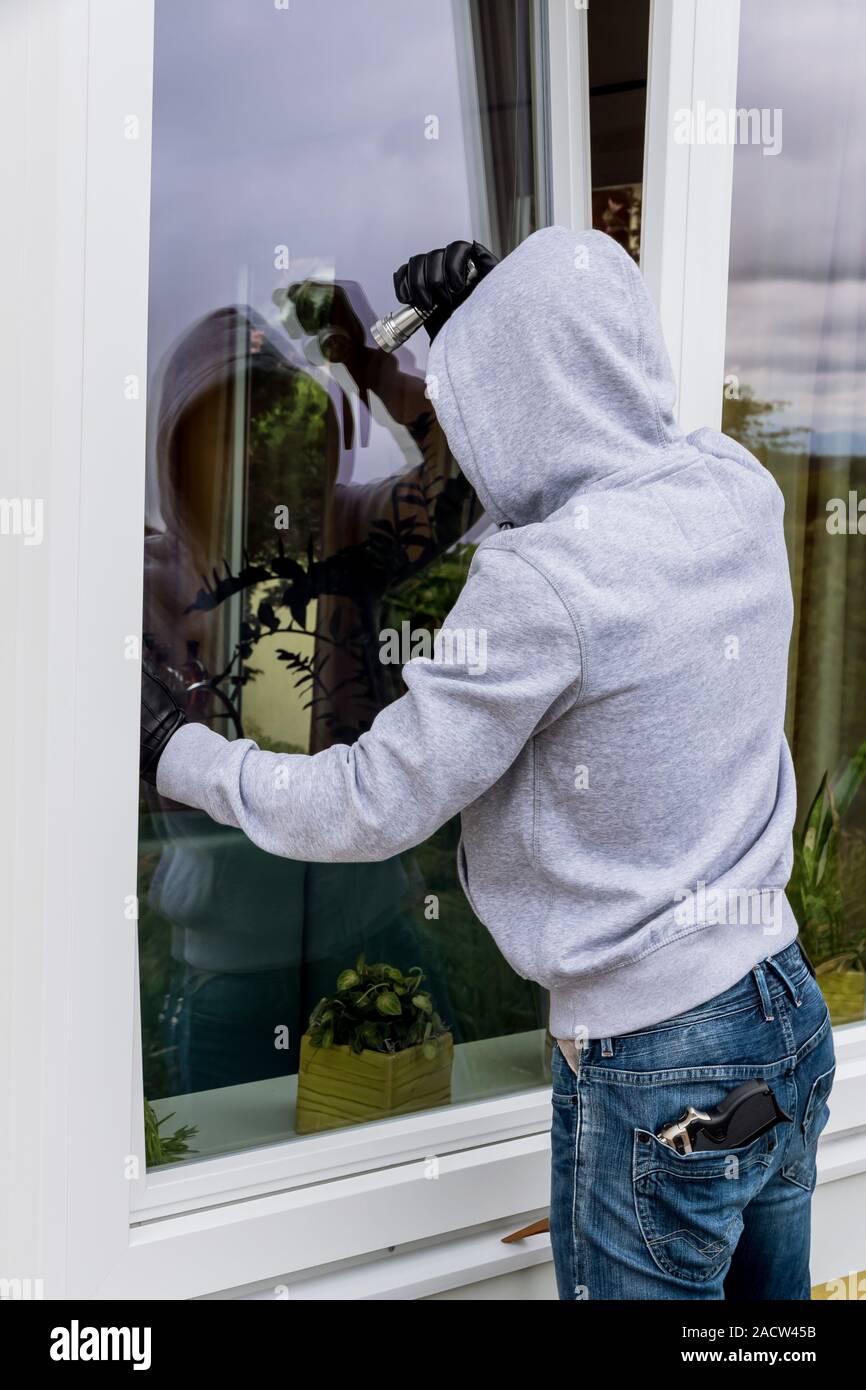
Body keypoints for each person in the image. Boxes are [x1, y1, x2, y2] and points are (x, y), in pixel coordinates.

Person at [141, 226, 835, 1300]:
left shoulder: (530, 582)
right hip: (776, 1006)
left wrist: (176, 753)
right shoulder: (730, 484)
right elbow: (564, 402)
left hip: (656, 1058)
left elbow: (371, 802)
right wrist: (501, 319)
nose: (262, 457)